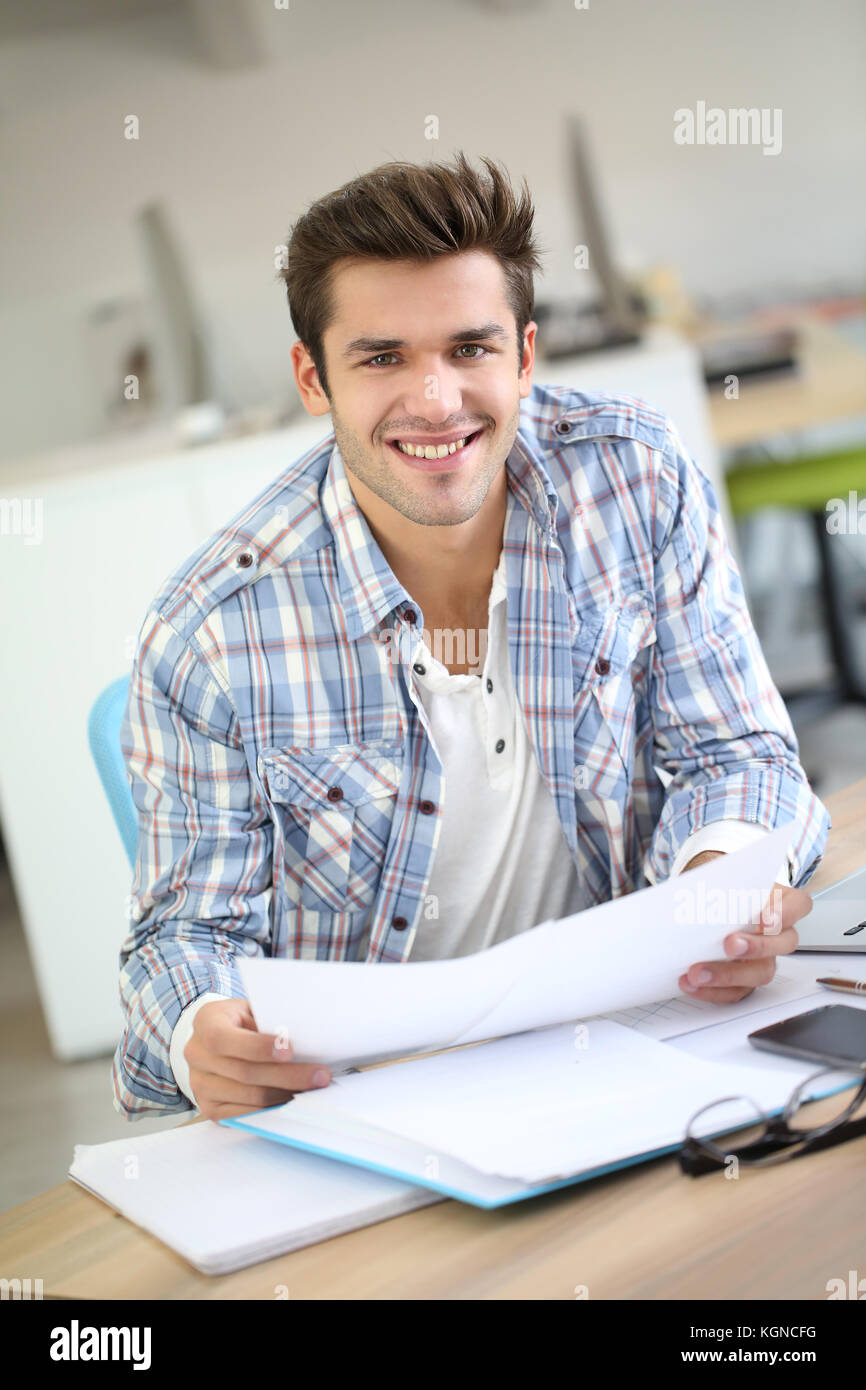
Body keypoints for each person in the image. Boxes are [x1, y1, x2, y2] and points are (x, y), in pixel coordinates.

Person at [113, 152, 828, 1121]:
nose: (437, 400)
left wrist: (714, 892)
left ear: (524, 356)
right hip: (376, 1099)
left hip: (634, 1038)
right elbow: (182, 937)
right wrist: (199, 1023)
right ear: (311, 378)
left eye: (469, 348)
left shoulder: (632, 480)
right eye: (381, 358)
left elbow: (731, 751)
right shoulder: (208, 632)